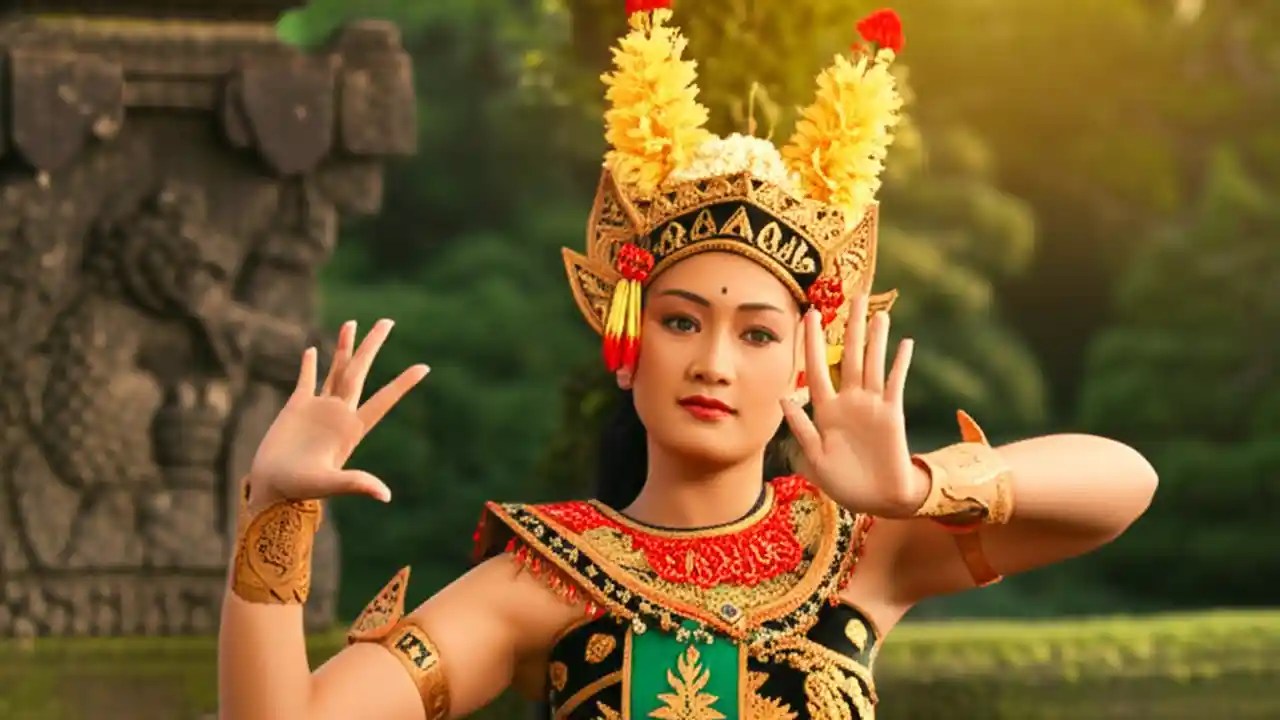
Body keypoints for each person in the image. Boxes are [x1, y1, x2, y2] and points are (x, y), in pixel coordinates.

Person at [216, 5, 1158, 719]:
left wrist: (915, 487)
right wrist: (274, 509)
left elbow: (1124, 483)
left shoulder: (855, 549)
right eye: (679, 323)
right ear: (625, 346)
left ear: (803, 368)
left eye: (755, 334)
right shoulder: (547, 576)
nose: (712, 361)